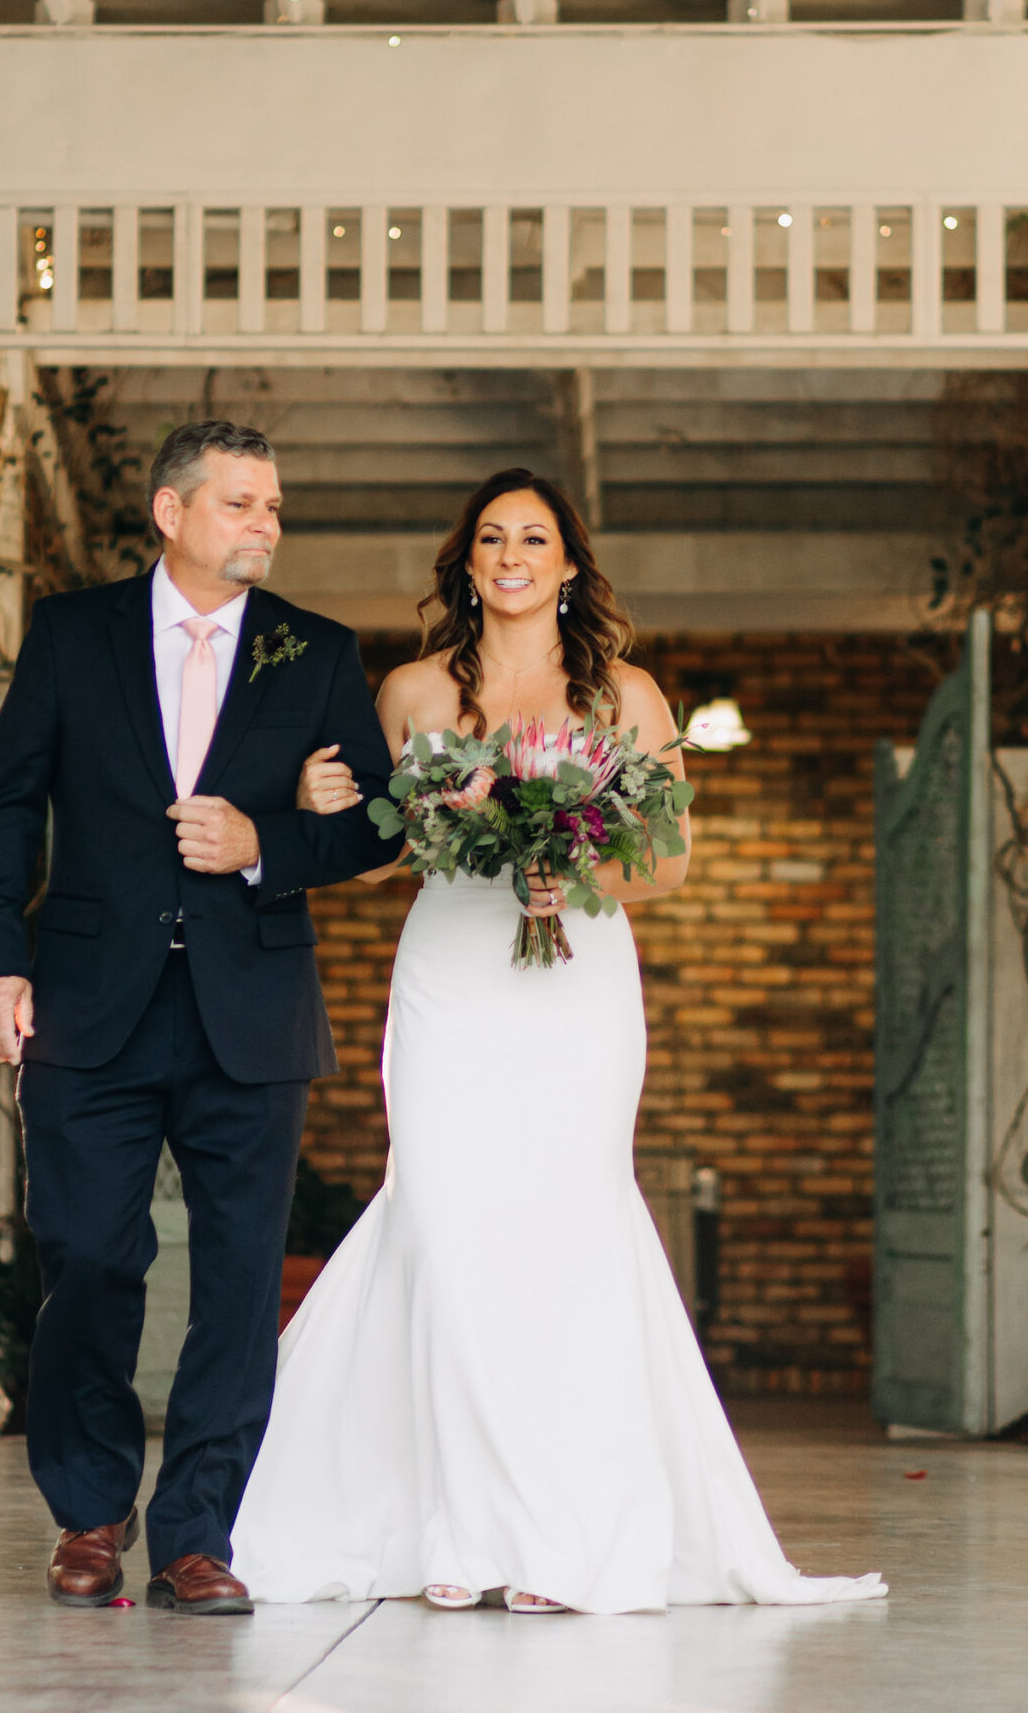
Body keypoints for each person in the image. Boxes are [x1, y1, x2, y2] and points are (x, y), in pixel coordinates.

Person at [230, 468, 885, 1616]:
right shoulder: (413, 691)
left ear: (570, 563)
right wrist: (323, 809)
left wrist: (568, 865)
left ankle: (560, 1533)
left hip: (577, 980)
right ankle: (454, 1523)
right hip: (451, 979)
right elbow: (386, 849)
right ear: (468, 561)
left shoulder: (627, 694)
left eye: (535, 536)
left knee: (566, 1230)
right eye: (493, 537)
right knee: (441, 1216)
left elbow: (669, 862)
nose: (513, 553)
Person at [0, 420, 391, 1615]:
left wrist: (269, 844)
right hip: (90, 1006)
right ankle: (91, 1511)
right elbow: (4, 811)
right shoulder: (70, 633)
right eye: (242, 503)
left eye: (274, 507)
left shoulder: (316, 650)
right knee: (91, 1255)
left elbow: (380, 821)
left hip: (248, 1012)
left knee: (241, 1282)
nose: (265, 524)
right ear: (172, 510)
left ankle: (199, 1531)